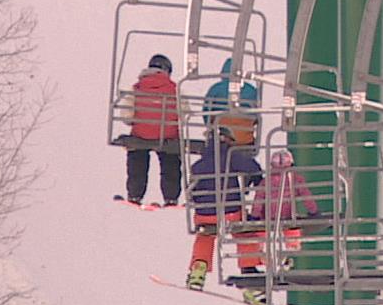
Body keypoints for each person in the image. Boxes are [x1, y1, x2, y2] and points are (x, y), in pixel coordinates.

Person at [185, 128, 263, 290]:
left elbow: (192, 191)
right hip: (230, 212)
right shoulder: (231, 156)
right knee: (245, 232)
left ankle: (198, 269)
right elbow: (253, 168)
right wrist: (255, 181)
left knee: (205, 235)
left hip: (205, 214)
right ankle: (248, 268)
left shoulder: (198, 165)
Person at [122, 53, 181, 207]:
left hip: (141, 133)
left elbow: (126, 116)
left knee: (137, 158)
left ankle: (135, 195)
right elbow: (184, 115)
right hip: (167, 135)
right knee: (171, 161)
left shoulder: (137, 87)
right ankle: (171, 197)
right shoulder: (175, 89)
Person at [247, 150, 320, 271]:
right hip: (287, 217)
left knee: (263, 240)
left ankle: (266, 261)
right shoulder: (296, 179)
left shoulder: (266, 181)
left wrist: (254, 217)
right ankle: (289, 256)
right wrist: (314, 211)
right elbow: (307, 197)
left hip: (267, 219)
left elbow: (258, 200)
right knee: (292, 235)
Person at [203, 58, 261, 146]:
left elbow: (206, 112)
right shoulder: (252, 90)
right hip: (245, 139)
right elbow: (256, 115)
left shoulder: (215, 89)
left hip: (222, 138)